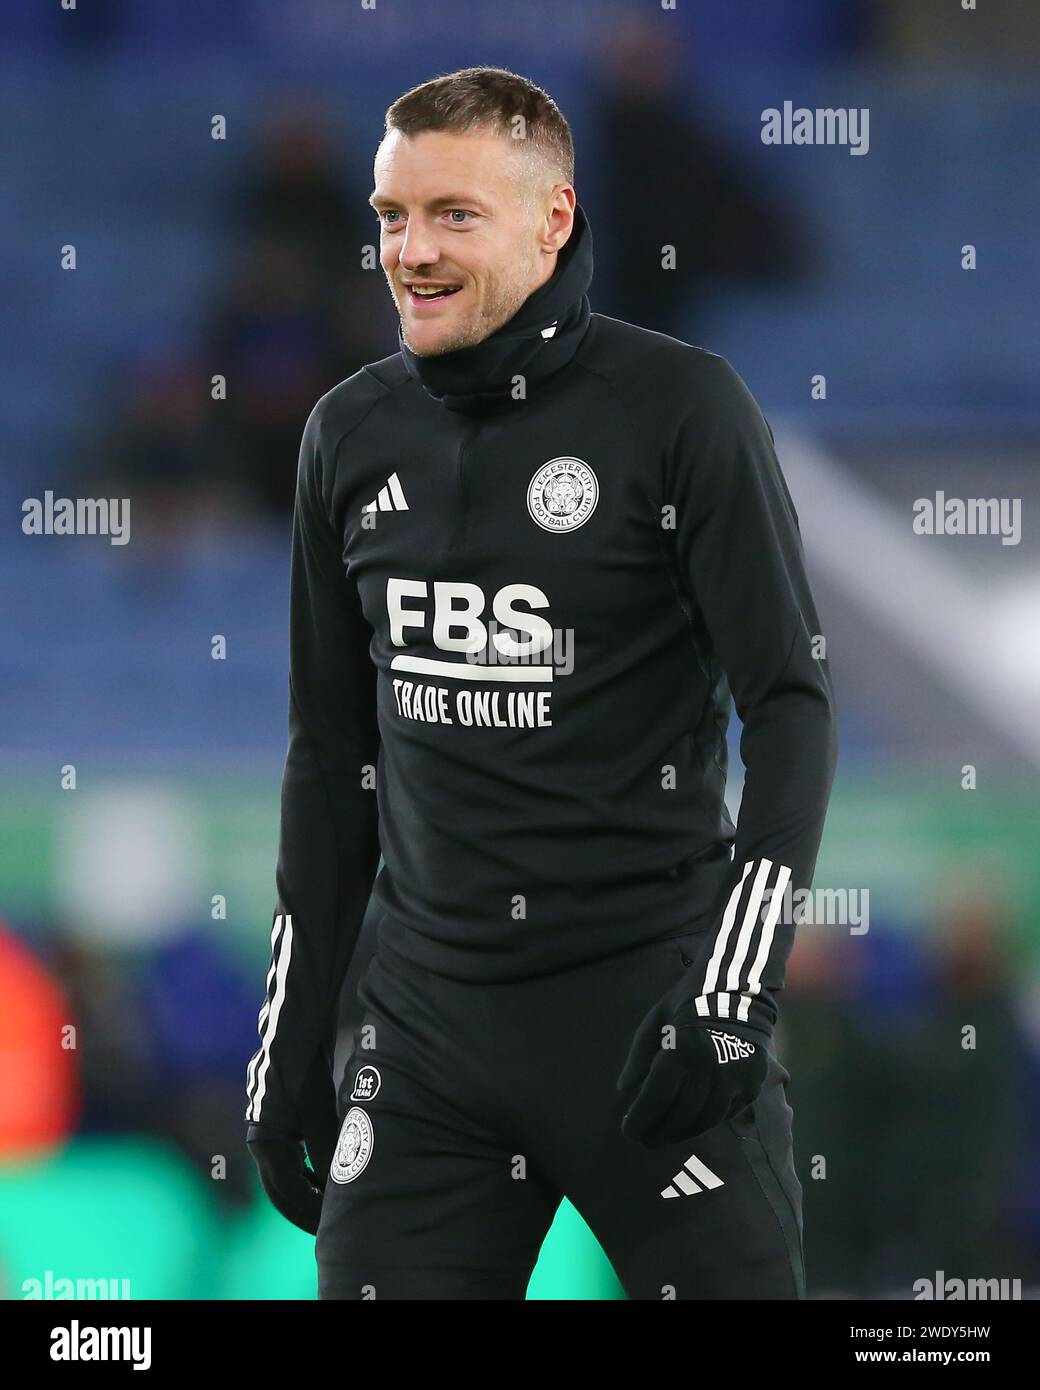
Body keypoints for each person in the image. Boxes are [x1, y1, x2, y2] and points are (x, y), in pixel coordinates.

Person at [245, 66, 838, 1301]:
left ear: (551, 219)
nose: (409, 250)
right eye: (389, 216)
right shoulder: (347, 434)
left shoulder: (680, 409)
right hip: (424, 1040)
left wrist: (731, 992)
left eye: (453, 214)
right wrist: (295, 1037)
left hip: (648, 1021)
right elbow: (328, 764)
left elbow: (788, 708)